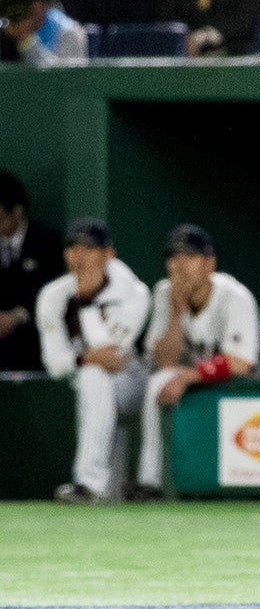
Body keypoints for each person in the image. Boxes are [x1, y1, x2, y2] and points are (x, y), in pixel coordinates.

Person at [136, 225, 260, 500]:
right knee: (160, 380)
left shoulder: (234, 296)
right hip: (204, 382)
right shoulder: (164, 293)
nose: (180, 266)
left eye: (190, 257)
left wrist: (186, 377)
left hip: (252, 388)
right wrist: (175, 315)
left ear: (209, 264)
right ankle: (151, 482)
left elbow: (241, 363)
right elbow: (163, 360)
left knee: (171, 378)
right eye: (173, 258)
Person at [36, 218, 151, 503]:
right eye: (72, 248)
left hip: (135, 383)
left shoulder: (134, 292)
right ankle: (90, 486)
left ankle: (90, 483)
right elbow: (56, 364)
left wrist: (86, 302)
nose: (79, 256)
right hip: (91, 386)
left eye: (89, 249)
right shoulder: (53, 296)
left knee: (94, 374)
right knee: (92, 375)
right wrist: (84, 358)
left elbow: (110, 355)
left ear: (108, 254)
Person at [0, 170, 63, 372]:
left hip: (32, 342)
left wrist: (17, 316)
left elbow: (49, 289)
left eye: (0, 218)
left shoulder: (48, 242)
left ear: (17, 211)